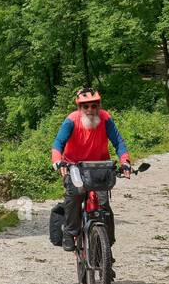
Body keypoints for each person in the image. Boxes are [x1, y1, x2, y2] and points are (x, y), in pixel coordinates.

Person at [51, 89, 132, 273]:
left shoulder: (105, 118)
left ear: (99, 106)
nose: (90, 109)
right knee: (75, 195)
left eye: (94, 105)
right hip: (74, 166)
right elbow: (58, 144)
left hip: (100, 167)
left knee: (103, 206)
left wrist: (125, 161)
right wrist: (57, 161)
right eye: (85, 106)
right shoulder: (71, 120)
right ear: (79, 107)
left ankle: (105, 250)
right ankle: (70, 233)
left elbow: (118, 142)